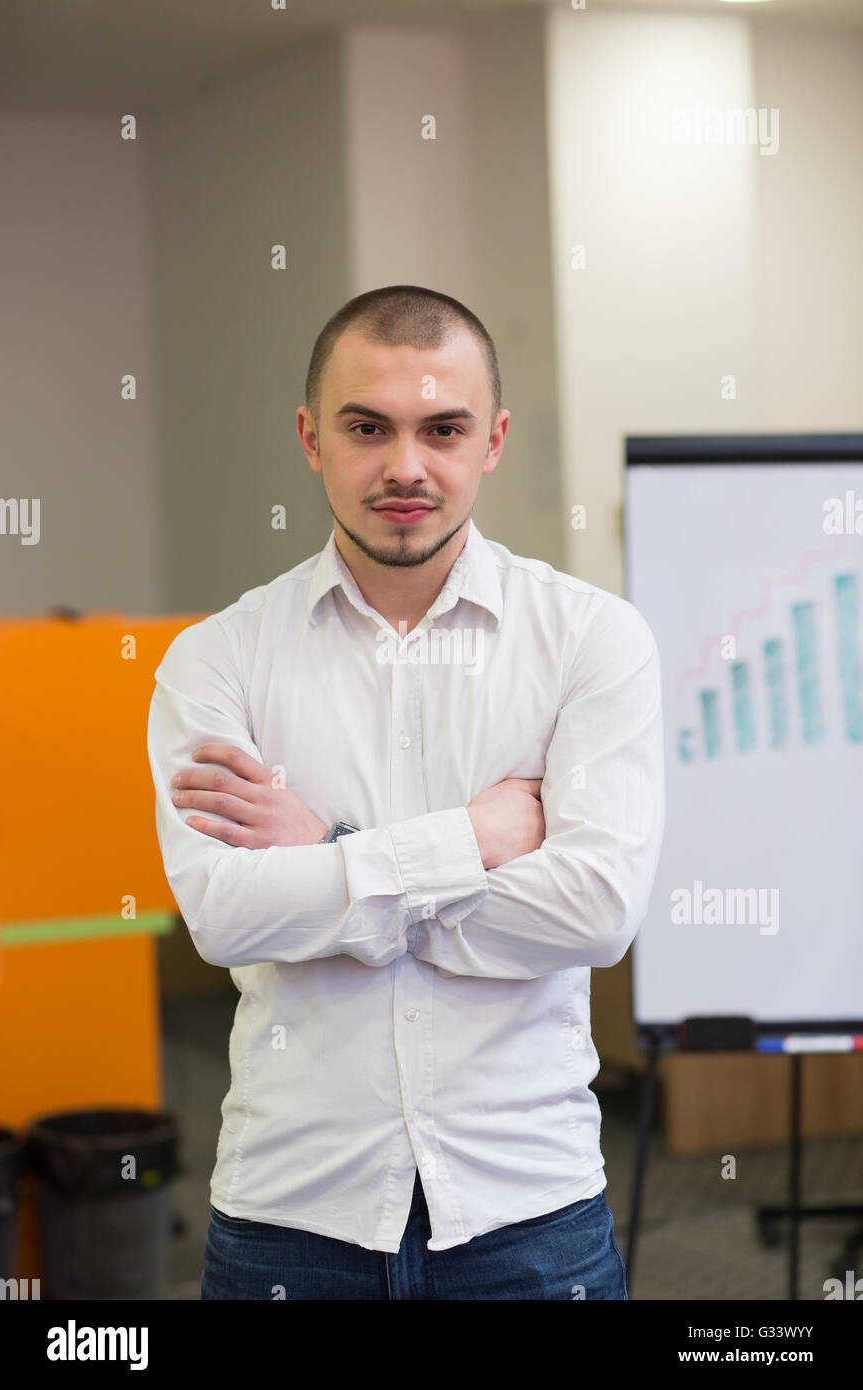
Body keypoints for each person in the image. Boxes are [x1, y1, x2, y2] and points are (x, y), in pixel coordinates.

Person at [147, 284, 665, 1300]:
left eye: (442, 429)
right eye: (366, 427)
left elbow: (596, 911)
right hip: (291, 1212)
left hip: (528, 1211)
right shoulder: (215, 660)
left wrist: (331, 854)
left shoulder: (591, 640)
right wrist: (475, 837)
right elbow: (224, 915)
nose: (404, 467)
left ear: (493, 439)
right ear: (310, 436)